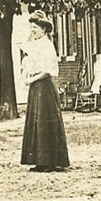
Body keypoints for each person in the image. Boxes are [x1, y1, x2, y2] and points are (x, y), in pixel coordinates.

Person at [20, 12, 71, 171]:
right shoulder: (36, 44)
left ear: (43, 29)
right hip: (36, 87)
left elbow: (48, 71)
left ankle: (49, 161)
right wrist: (32, 31)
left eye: (35, 27)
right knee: (36, 122)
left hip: (44, 86)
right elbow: (25, 44)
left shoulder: (47, 45)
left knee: (44, 122)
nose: (32, 30)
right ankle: (38, 160)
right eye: (31, 27)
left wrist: (32, 80)